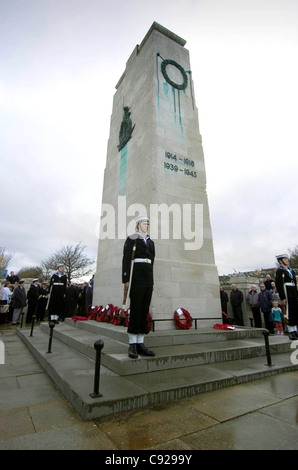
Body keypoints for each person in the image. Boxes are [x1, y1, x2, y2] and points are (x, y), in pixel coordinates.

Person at [122, 215, 155, 359]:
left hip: (147, 278)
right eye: (143, 223)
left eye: (147, 223)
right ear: (137, 225)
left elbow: (152, 262)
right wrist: (126, 279)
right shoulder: (132, 239)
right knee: (135, 309)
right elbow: (126, 259)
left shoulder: (151, 242)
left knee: (144, 309)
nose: (146, 225)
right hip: (136, 276)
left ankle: (140, 343)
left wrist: (152, 282)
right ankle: (132, 344)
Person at [275, 254, 298, 340]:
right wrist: (282, 297)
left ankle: (295, 330)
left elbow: (295, 283)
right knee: (288, 312)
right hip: (286, 291)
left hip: (292, 291)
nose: (287, 260)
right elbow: (279, 285)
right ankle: (291, 331)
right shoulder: (280, 271)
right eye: (285, 259)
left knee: (294, 310)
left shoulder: (291, 270)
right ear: (280, 261)